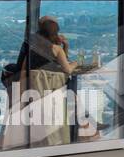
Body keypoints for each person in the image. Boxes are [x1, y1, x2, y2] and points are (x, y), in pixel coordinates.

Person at [16, 15, 78, 146]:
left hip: (33, 92)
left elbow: (24, 71)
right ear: (55, 33)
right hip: (51, 92)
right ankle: (81, 129)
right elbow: (67, 69)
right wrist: (76, 63)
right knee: (73, 92)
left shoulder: (32, 48)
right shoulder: (56, 49)